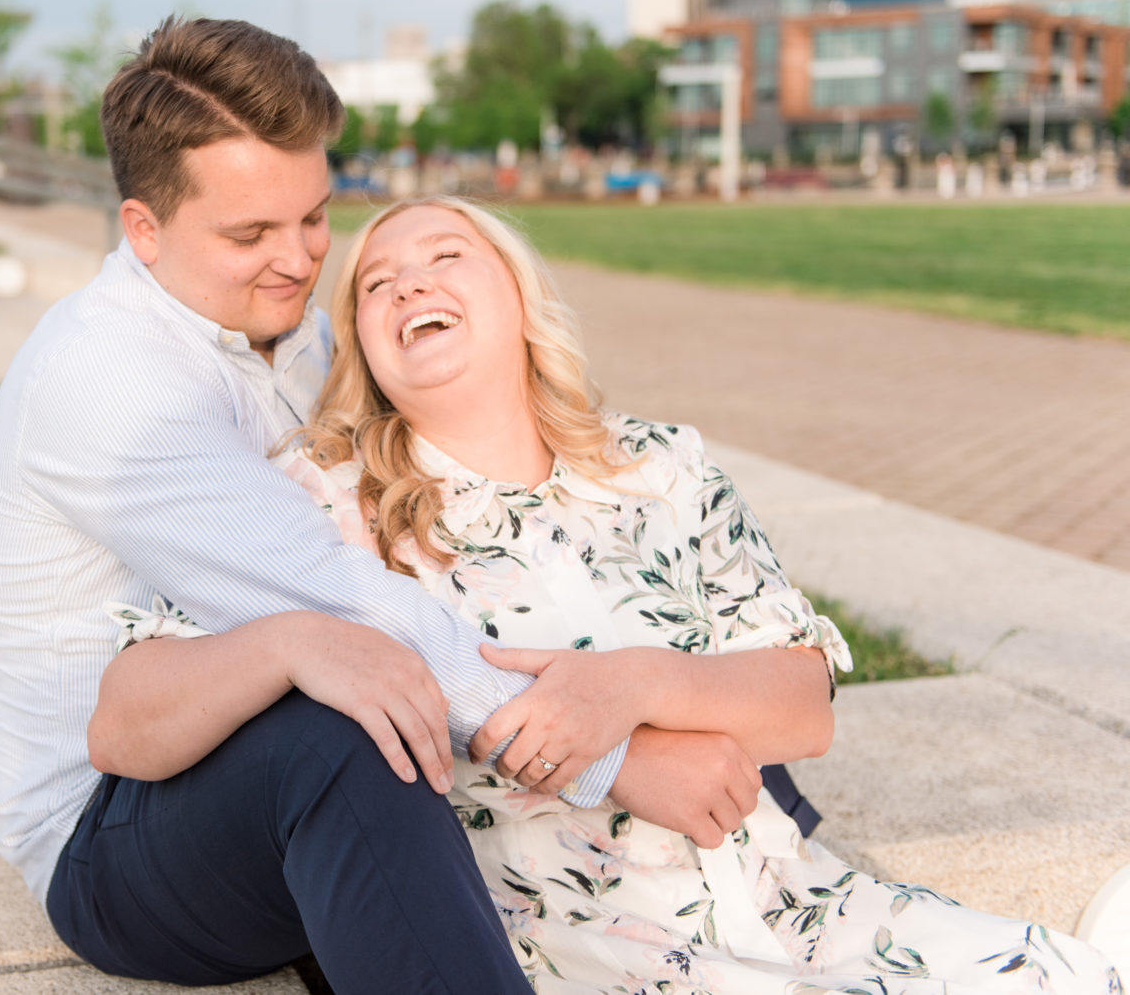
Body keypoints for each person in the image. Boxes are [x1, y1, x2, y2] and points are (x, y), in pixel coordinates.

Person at [115, 195, 1120, 992]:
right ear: (365, 350)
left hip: (784, 896)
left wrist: (633, 686)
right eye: (374, 283)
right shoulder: (327, 497)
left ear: (518, 295)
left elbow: (802, 705)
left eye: (444, 257)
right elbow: (128, 714)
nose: (405, 283)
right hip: (573, 940)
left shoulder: (661, 466)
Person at [0, 17, 755, 993]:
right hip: (116, 831)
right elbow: (338, 594)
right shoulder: (109, 387)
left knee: (580, 614)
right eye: (250, 233)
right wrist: (613, 758)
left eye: (313, 215)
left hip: (256, 723)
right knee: (350, 738)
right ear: (143, 229)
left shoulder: (284, 330)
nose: (299, 260)